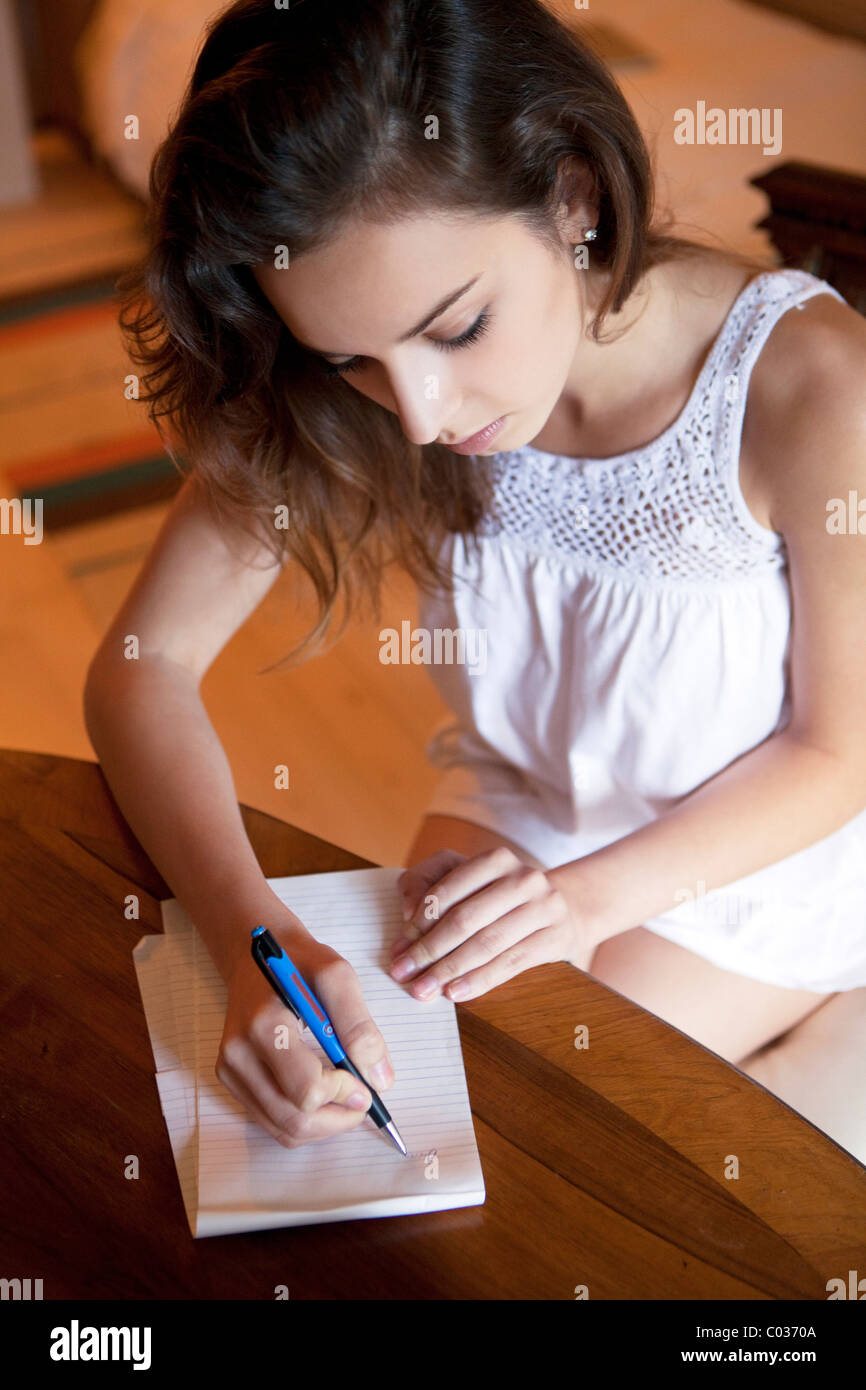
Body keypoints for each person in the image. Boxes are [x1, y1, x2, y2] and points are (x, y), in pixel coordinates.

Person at [85, 0, 866, 1162]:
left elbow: (836, 752)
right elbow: (139, 674)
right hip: (518, 808)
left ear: (573, 198)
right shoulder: (369, 392)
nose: (418, 413)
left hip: (753, 860)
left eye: (455, 328)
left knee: (527, 1137)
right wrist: (254, 939)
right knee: (350, 1128)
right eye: (350, 357)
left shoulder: (808, 389)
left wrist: (584, 904)